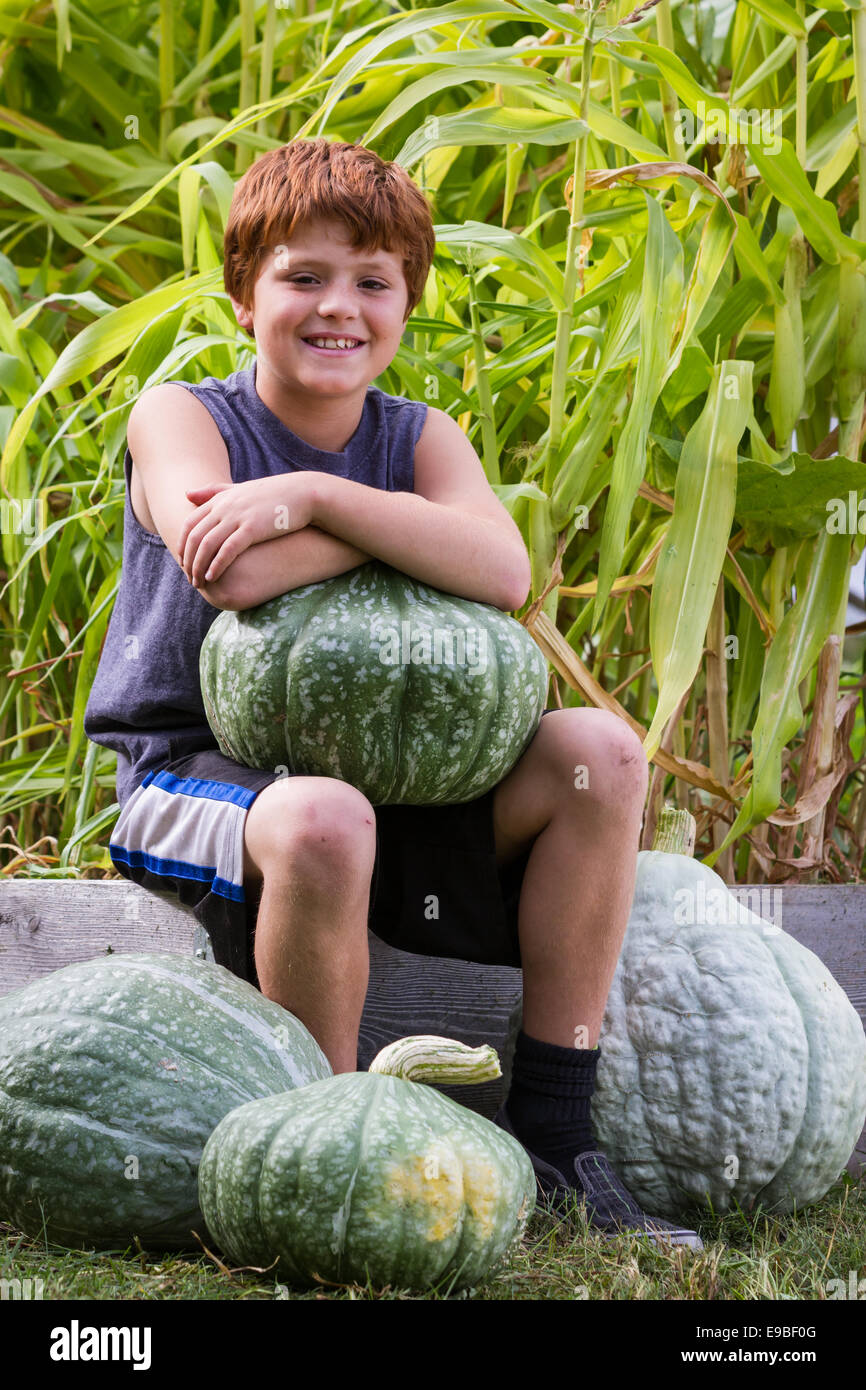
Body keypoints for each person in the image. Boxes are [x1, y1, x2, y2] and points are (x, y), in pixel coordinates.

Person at [84, 137, 702, 1252]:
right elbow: (230, 568)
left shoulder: (416, 437)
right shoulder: (178, 417)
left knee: (597, 752)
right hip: (198, 778)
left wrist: (310, 495)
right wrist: (414, 541)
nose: (339, 307)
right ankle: (319, 1141)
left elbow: (504, 572)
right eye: (303, 276)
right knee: (326, 811)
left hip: (398, 804)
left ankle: (558, 1134)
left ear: (405, 305)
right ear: (243, 298)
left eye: (373, 281)